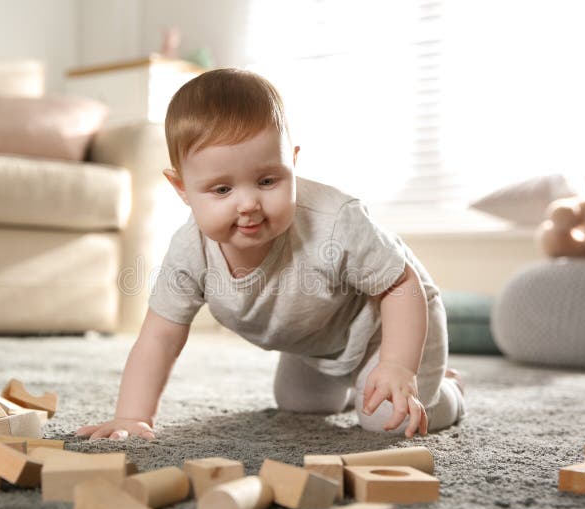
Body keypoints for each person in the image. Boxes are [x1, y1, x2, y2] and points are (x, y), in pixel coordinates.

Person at [76, 68, 465, 442]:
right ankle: (357, 381)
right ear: (181, 188)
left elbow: (400, 284)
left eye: (267, 181)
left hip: (396, 323)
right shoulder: (190, 252)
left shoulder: (335, 222)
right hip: (317, 340)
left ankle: (445, 393)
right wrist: (132, 416)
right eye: (221, 190)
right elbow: (159, 337)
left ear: (291, 164)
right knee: (299, 404)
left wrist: (398, 365)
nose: (248, 204)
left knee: (387, 421)